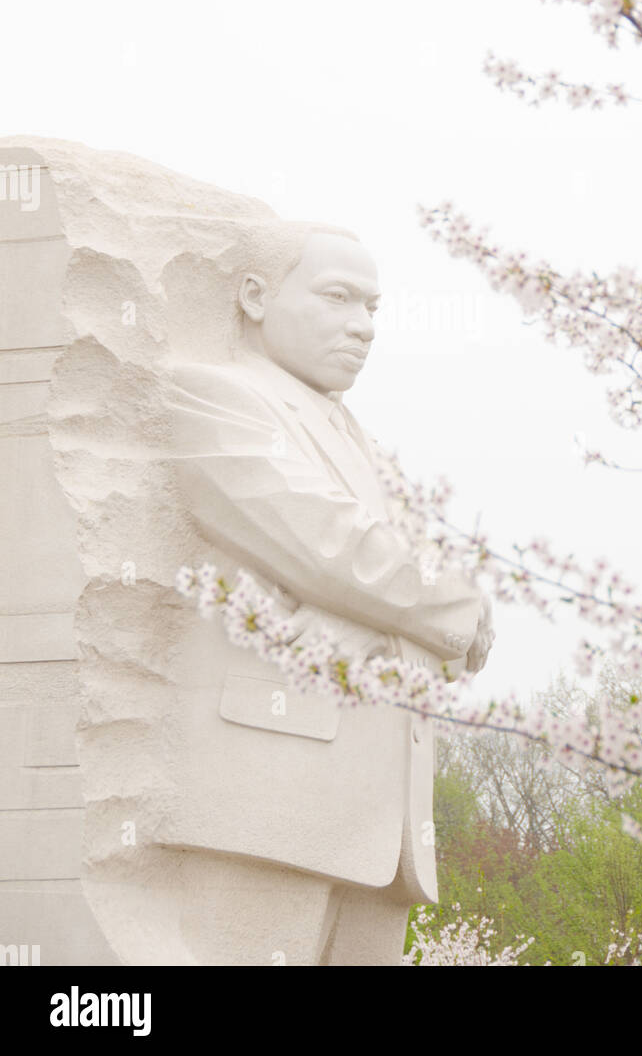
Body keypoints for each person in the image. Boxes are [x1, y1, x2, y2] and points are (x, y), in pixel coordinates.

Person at [153, 222, 493, 965]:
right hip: (269, 799)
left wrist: (395, 624)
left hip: (381, 825)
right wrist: (450, 610)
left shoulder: (354, 435)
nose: (363, 327)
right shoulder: (214, 394)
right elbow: (325, 543)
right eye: (338, 298)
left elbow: (421, 591)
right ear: (253, 295)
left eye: (373, 307)